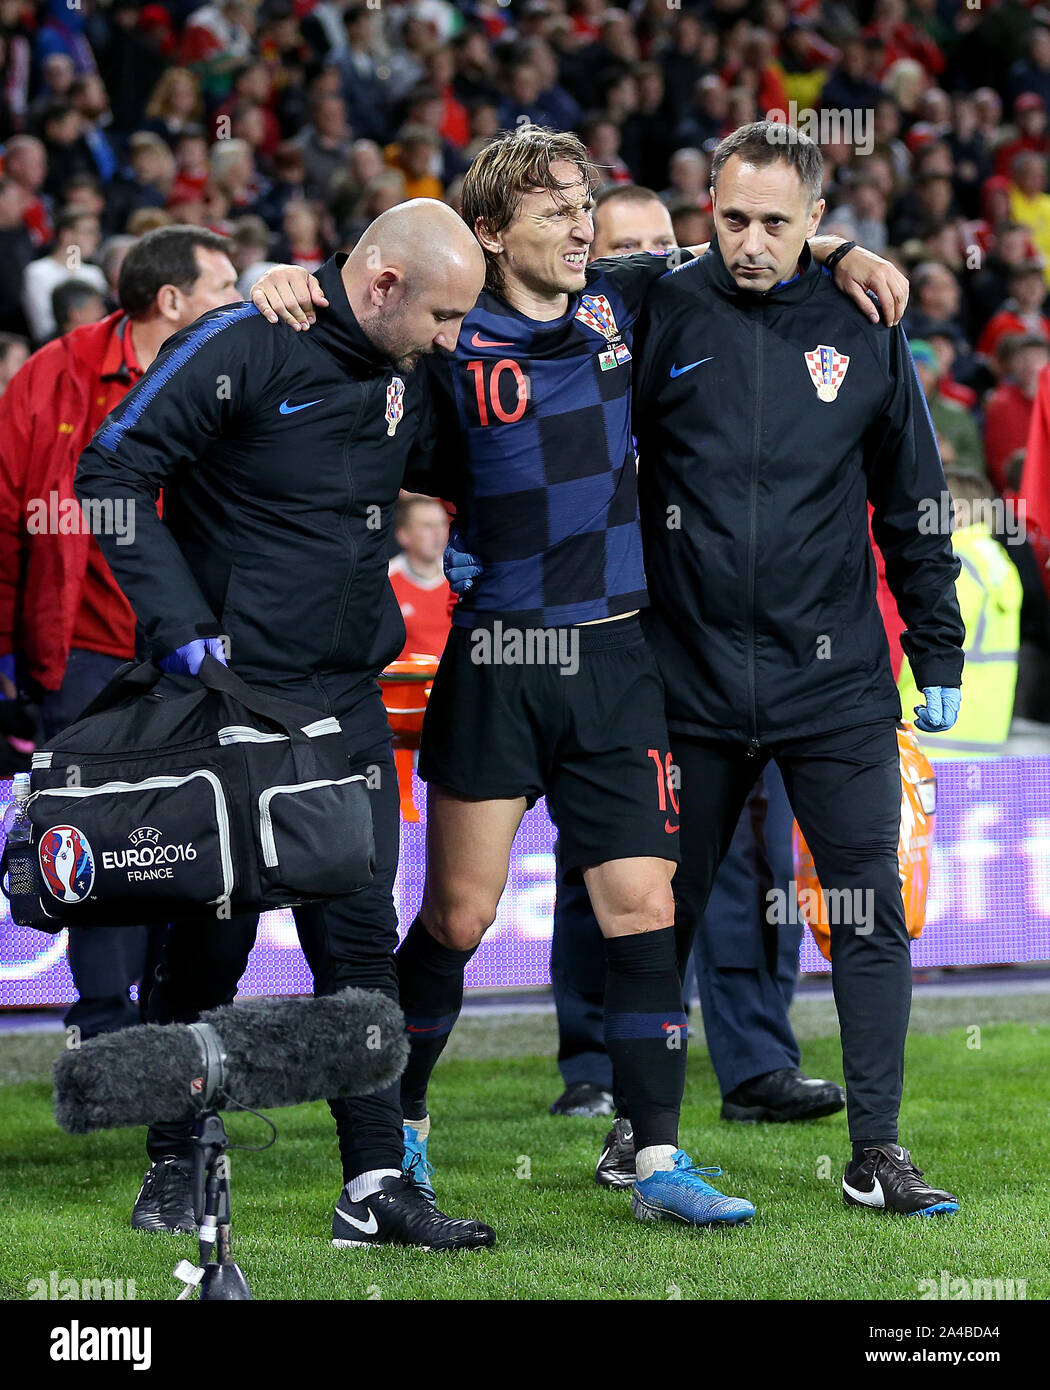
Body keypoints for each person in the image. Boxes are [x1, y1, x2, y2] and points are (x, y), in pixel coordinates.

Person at [252, 125, 907, 1229]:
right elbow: (362, 307)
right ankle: (397, 1130)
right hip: (501, 656)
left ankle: (654, 1159)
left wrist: (843, 252)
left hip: (616, 657)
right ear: (493, 232)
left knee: (646, 910)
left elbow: (763, 236)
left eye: (583, 203)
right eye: (554, 209)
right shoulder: (449, 338)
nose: (579, 224)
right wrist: (293, 283)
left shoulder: (627, 301)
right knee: (458, 916)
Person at [75, 199, 496, 1253]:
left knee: (359, 949)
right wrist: (183, 637)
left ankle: (375, 1187)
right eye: (443, 317)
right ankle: (175, 1158)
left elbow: (466, 454)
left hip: (345, 701)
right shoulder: (245, 339)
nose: (451, 342)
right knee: (208, 944)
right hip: (230, 702)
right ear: (386, 285)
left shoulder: (408, 362)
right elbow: (111, 471)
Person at [630, 121, 965, 1216]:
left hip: (834, 685)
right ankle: (647, 1145)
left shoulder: (866, 320)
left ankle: (876, 1153)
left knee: (868, 908)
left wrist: (939, 643)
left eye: (780, 223)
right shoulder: (659, 307)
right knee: (661, 916)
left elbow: (913, 500)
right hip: (689, 682)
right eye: (732, 219)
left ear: (818, 219)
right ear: (705, 211)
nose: (752, 243)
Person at [547, 184, 845, 1146]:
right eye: (628, 250)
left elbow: (799, 245)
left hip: (736, 652)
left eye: (665, 247)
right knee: (609, 869)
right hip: (619, 638)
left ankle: (758, 1062)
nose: (655, 265)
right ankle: (599, 1069)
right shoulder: (572, 330)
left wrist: (842, 254)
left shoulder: (705, 316)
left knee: (752, 866)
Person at [0, 224, 239, 1041]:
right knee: (94, 835)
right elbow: (4, 515)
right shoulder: (52, 375)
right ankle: (103, 1026)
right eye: (223, 288)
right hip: (85, 651)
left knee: (193, 839)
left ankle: (175, 1022)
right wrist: (7, 645)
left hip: (198, 647)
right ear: (172, 301)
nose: (240, 302)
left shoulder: (239, 365)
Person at [388, 495, 452, 661]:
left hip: (453, 682)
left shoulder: (461, 579)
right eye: (427, 526)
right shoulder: (386, 581)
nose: (438, 533)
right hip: (406, 683)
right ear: (403, 534)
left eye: (442, 524)